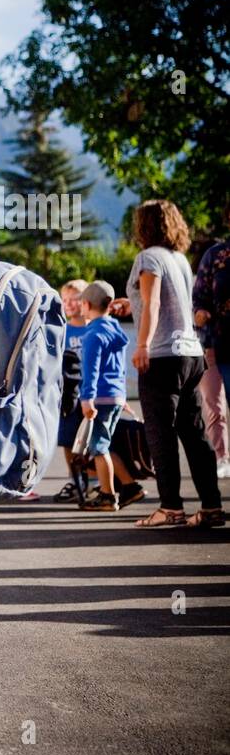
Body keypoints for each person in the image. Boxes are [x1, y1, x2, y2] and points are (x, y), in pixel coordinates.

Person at [110, 201, 223, 529]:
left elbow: (154, 301)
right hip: (190, 354)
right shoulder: (179, 260)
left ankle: (171, 507)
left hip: (161, 357)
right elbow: (169, 305)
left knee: (160, 434)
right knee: (194, 433)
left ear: (144, 226)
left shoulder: (148, 257)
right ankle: (212, 506)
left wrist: (142, 344)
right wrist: (130, 305)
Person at [76, 282, 132, 511]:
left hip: (99, 398)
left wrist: (86, 398)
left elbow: (91, 370)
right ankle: (108, 491)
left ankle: (108, 496)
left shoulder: (93, 334)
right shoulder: (115, 328)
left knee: (99, 447)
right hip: (115, 394)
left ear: (86, 304)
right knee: (102, 445)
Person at [192, 227, 230, 478]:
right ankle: (222, 457)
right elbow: (199, 299)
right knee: (214, 405)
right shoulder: (216, 256)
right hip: (215, 343)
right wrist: (200, 314)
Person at [53, 279, 91, 503]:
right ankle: (75, 479)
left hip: (92, 394)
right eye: (64, 300)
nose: (68, 304)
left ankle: (95, 480)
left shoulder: (95, 326)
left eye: (74, 299)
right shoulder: (61, 330)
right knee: (68, 441)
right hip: (69, 396)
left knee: (92, 441)